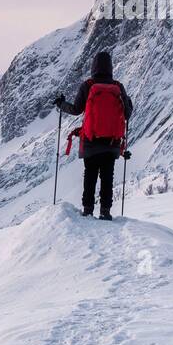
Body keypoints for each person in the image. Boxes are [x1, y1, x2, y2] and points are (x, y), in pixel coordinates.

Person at [54, 51, 133, 219]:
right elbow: (127, 114)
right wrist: (130, 104)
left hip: (90, 141)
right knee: (107, 178)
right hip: (111, 143)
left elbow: (76, 110)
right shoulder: (118, 87)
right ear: (110, 67)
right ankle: (105, 212)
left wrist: (61, 104)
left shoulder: (88, 85)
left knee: (90, 176)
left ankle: (88, 210)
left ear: (93, 67)